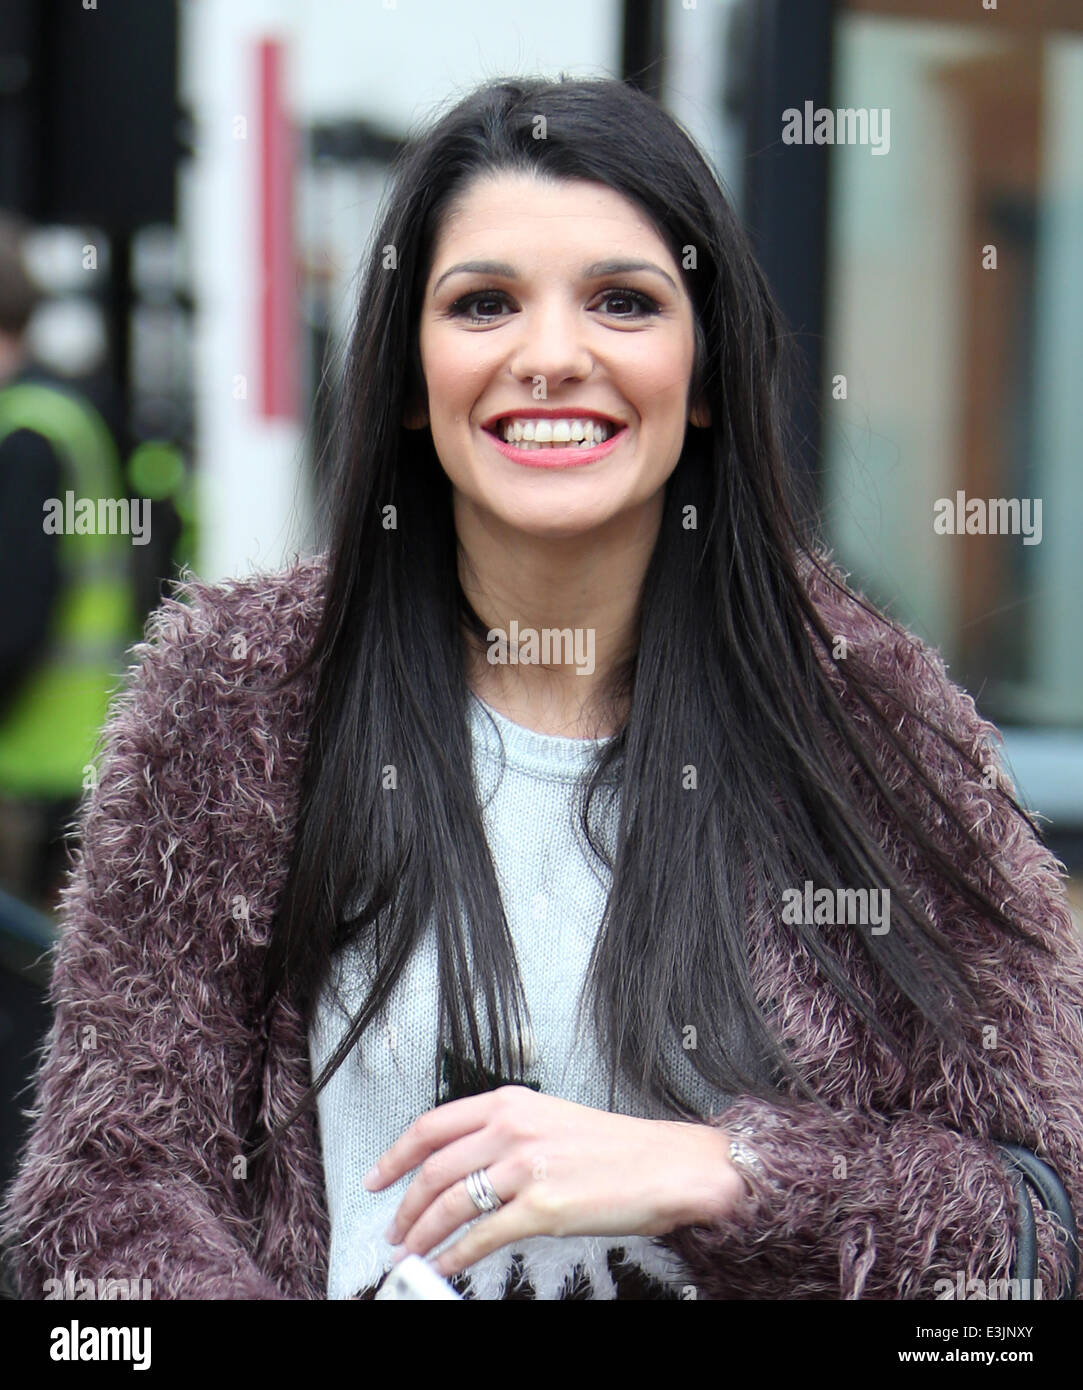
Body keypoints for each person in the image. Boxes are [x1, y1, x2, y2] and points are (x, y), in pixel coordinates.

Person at [1, 76, 1081, 1301]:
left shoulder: (869, 722)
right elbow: (103, 1197)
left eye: (624, 301)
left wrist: (727, 1172)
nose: (553, 356)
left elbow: (1041, 1223)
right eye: (484, 303)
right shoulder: (236, 705)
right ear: (410, 376)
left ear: (708, 371)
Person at [0, 211, 135, 914]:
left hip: (28, 774)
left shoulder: (23, 435)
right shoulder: (64, 413)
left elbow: (15, 619)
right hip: (70, 759)